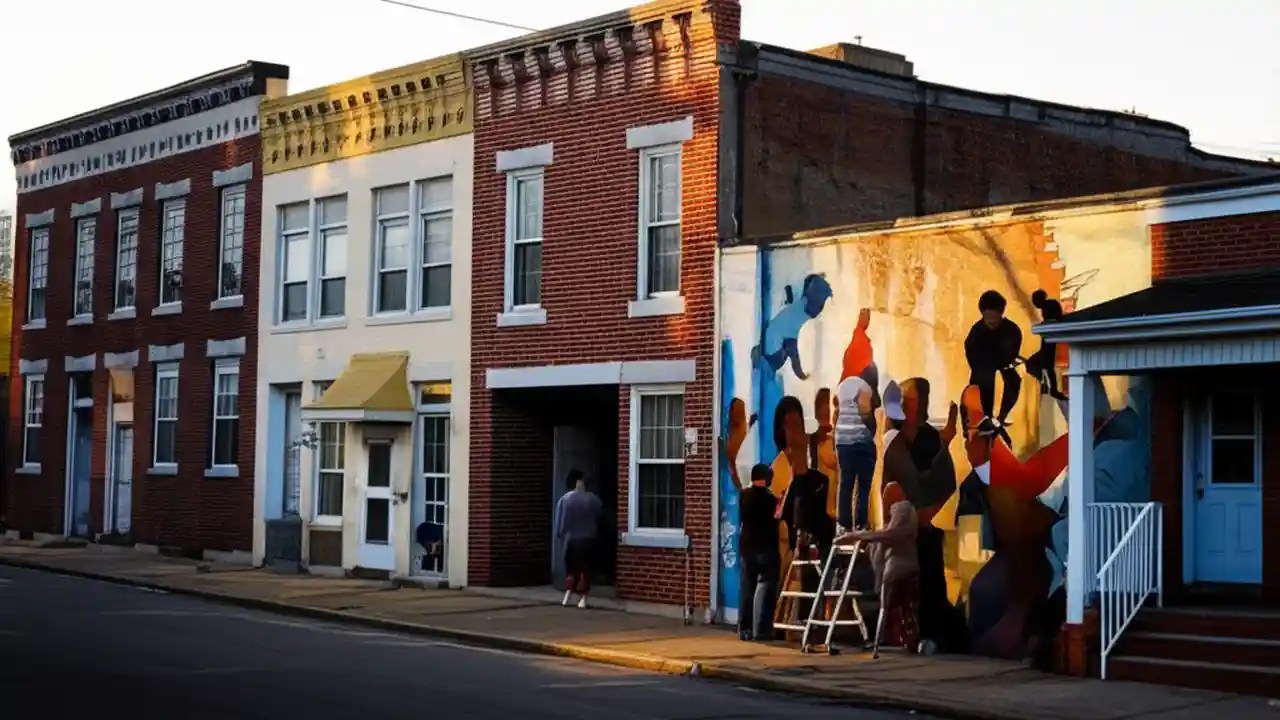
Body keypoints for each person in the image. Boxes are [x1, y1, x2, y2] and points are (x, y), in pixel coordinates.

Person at [837, 481, 921, 655]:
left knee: (882, 596)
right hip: (898, 565)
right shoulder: (903, 514)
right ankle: (881, 634)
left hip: (898, 566)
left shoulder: (903, 509)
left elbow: (889, 536)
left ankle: (878, 637)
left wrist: (856, 536)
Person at [964, 290, 1024, 439]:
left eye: (995, 317)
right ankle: (983, 418)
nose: (992, 321)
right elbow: (974, 362)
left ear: (1001, 313)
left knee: (1014, 378)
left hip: (1004, 360)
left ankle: (1001, 418)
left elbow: (1013, 355)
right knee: (982, 378)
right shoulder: (976, 335)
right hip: (983, 365)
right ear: (983, 313)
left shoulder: (1012, 331)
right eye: (988, 317)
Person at [738, 464, 781, 641]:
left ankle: (744, 629)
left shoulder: (744, 496)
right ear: (766, 478)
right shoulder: (770, 500)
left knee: (747, 588)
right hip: (766, 548)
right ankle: (760, 630)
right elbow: (777, 517)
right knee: (764, 586)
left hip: (747, 547)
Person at [553, 470, 602, 609]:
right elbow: (599, 515)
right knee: (585, 570)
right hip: (589, 539)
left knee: (571, 569)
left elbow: (560, 524)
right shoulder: (593, 499)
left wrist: (560, 537)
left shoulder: (565, 499)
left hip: (571, 540)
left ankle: (568, 594)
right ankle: (583, 597)